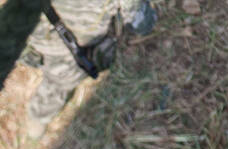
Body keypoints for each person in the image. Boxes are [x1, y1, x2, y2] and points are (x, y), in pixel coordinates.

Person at [21, 0, 158, 140]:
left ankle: (37, 121)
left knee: (56, 81)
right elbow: (143, 25)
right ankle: (38, 118)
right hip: (70, 51)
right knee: (58, 84)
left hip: (37, 33)